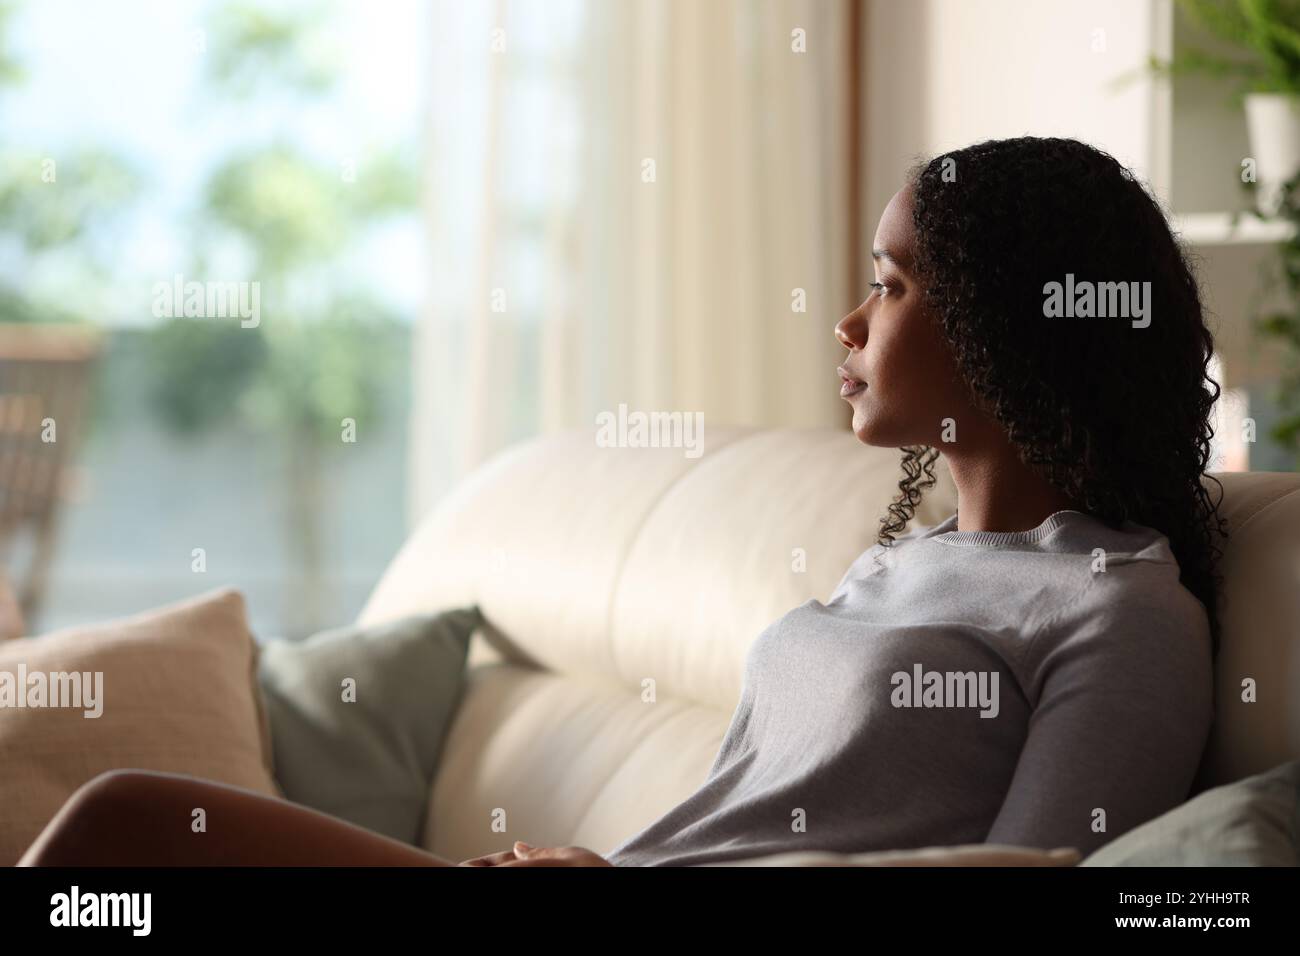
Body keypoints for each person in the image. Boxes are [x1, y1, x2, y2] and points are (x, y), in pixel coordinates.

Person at [18, 136, 1227, 868]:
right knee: (116, 850)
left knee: (124, 824)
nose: (852, 322)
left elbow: (1018, 880)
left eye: (893, 284)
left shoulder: (1120, 611)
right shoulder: (897, 563)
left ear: (1010, 324)